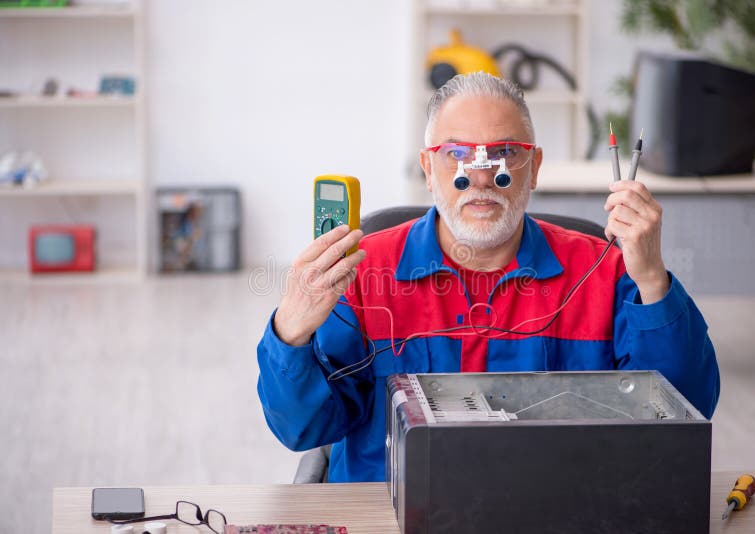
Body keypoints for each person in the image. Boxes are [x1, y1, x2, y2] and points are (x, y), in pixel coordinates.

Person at [257, 72, 720, 483]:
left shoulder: (605, 269)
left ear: (534, 168)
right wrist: (290, 331)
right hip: (389, 511)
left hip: (552, 506)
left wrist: (652, 281)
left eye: (504, 153)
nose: (480, 176)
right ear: (428, 169)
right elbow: (304, 428)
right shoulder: (360, 273)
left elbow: (683, 415)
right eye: (456, 153)